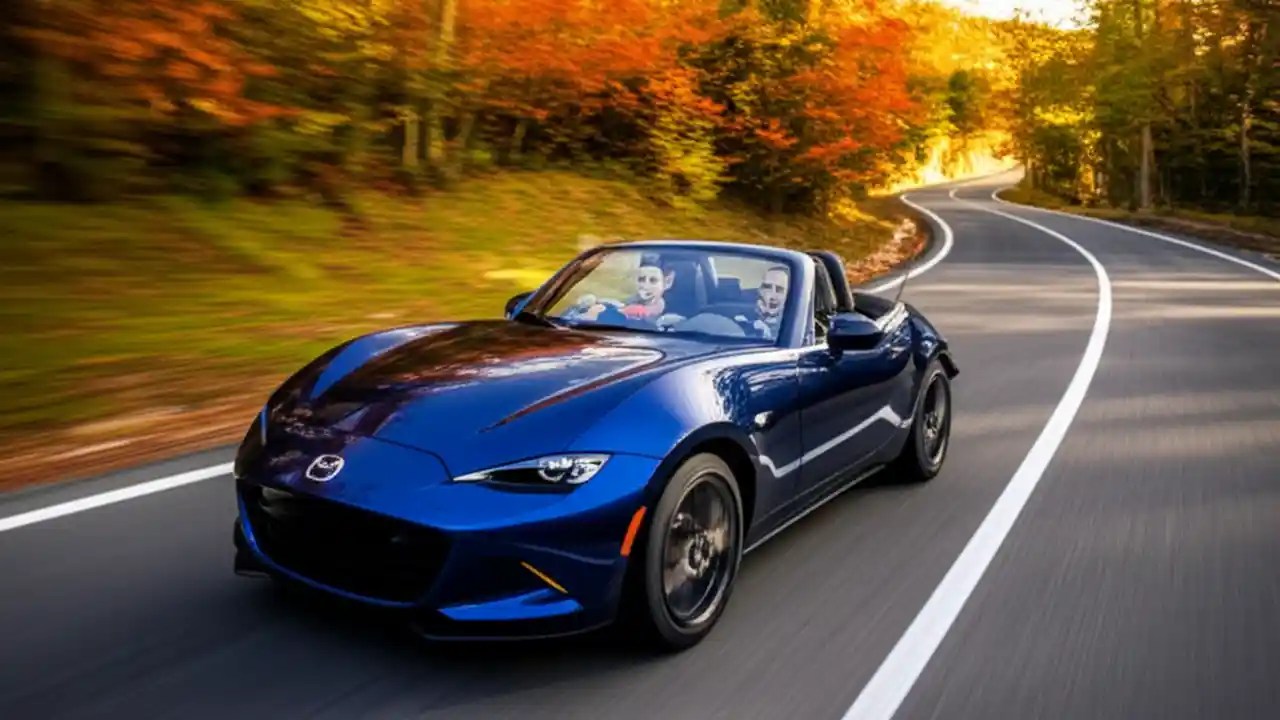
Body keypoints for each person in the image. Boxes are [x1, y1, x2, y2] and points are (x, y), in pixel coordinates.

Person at [735, 265, 788, 339]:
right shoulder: (743, 315)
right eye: (767, 287)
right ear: (759, 290)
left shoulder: (792, 324)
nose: (772, 296)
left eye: (779, 290)